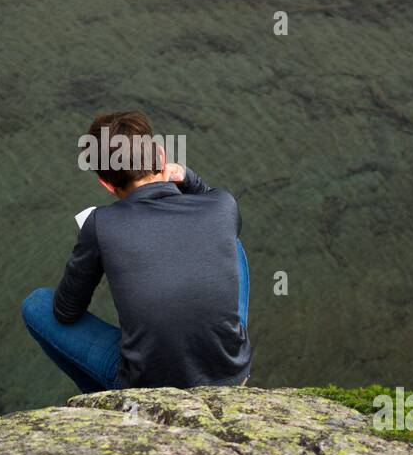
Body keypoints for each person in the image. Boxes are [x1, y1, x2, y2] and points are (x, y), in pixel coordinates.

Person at [22, 110, 251, 393]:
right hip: (230, 373)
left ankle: (102, 397)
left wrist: (96, 250)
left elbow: (66, 312)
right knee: (231, 242)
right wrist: (187, 176)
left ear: (106, 184)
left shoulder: (99, 225)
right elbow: (205, 197)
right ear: (162, 156)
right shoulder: (222, 205)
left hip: (149, 387)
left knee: (36, 304)